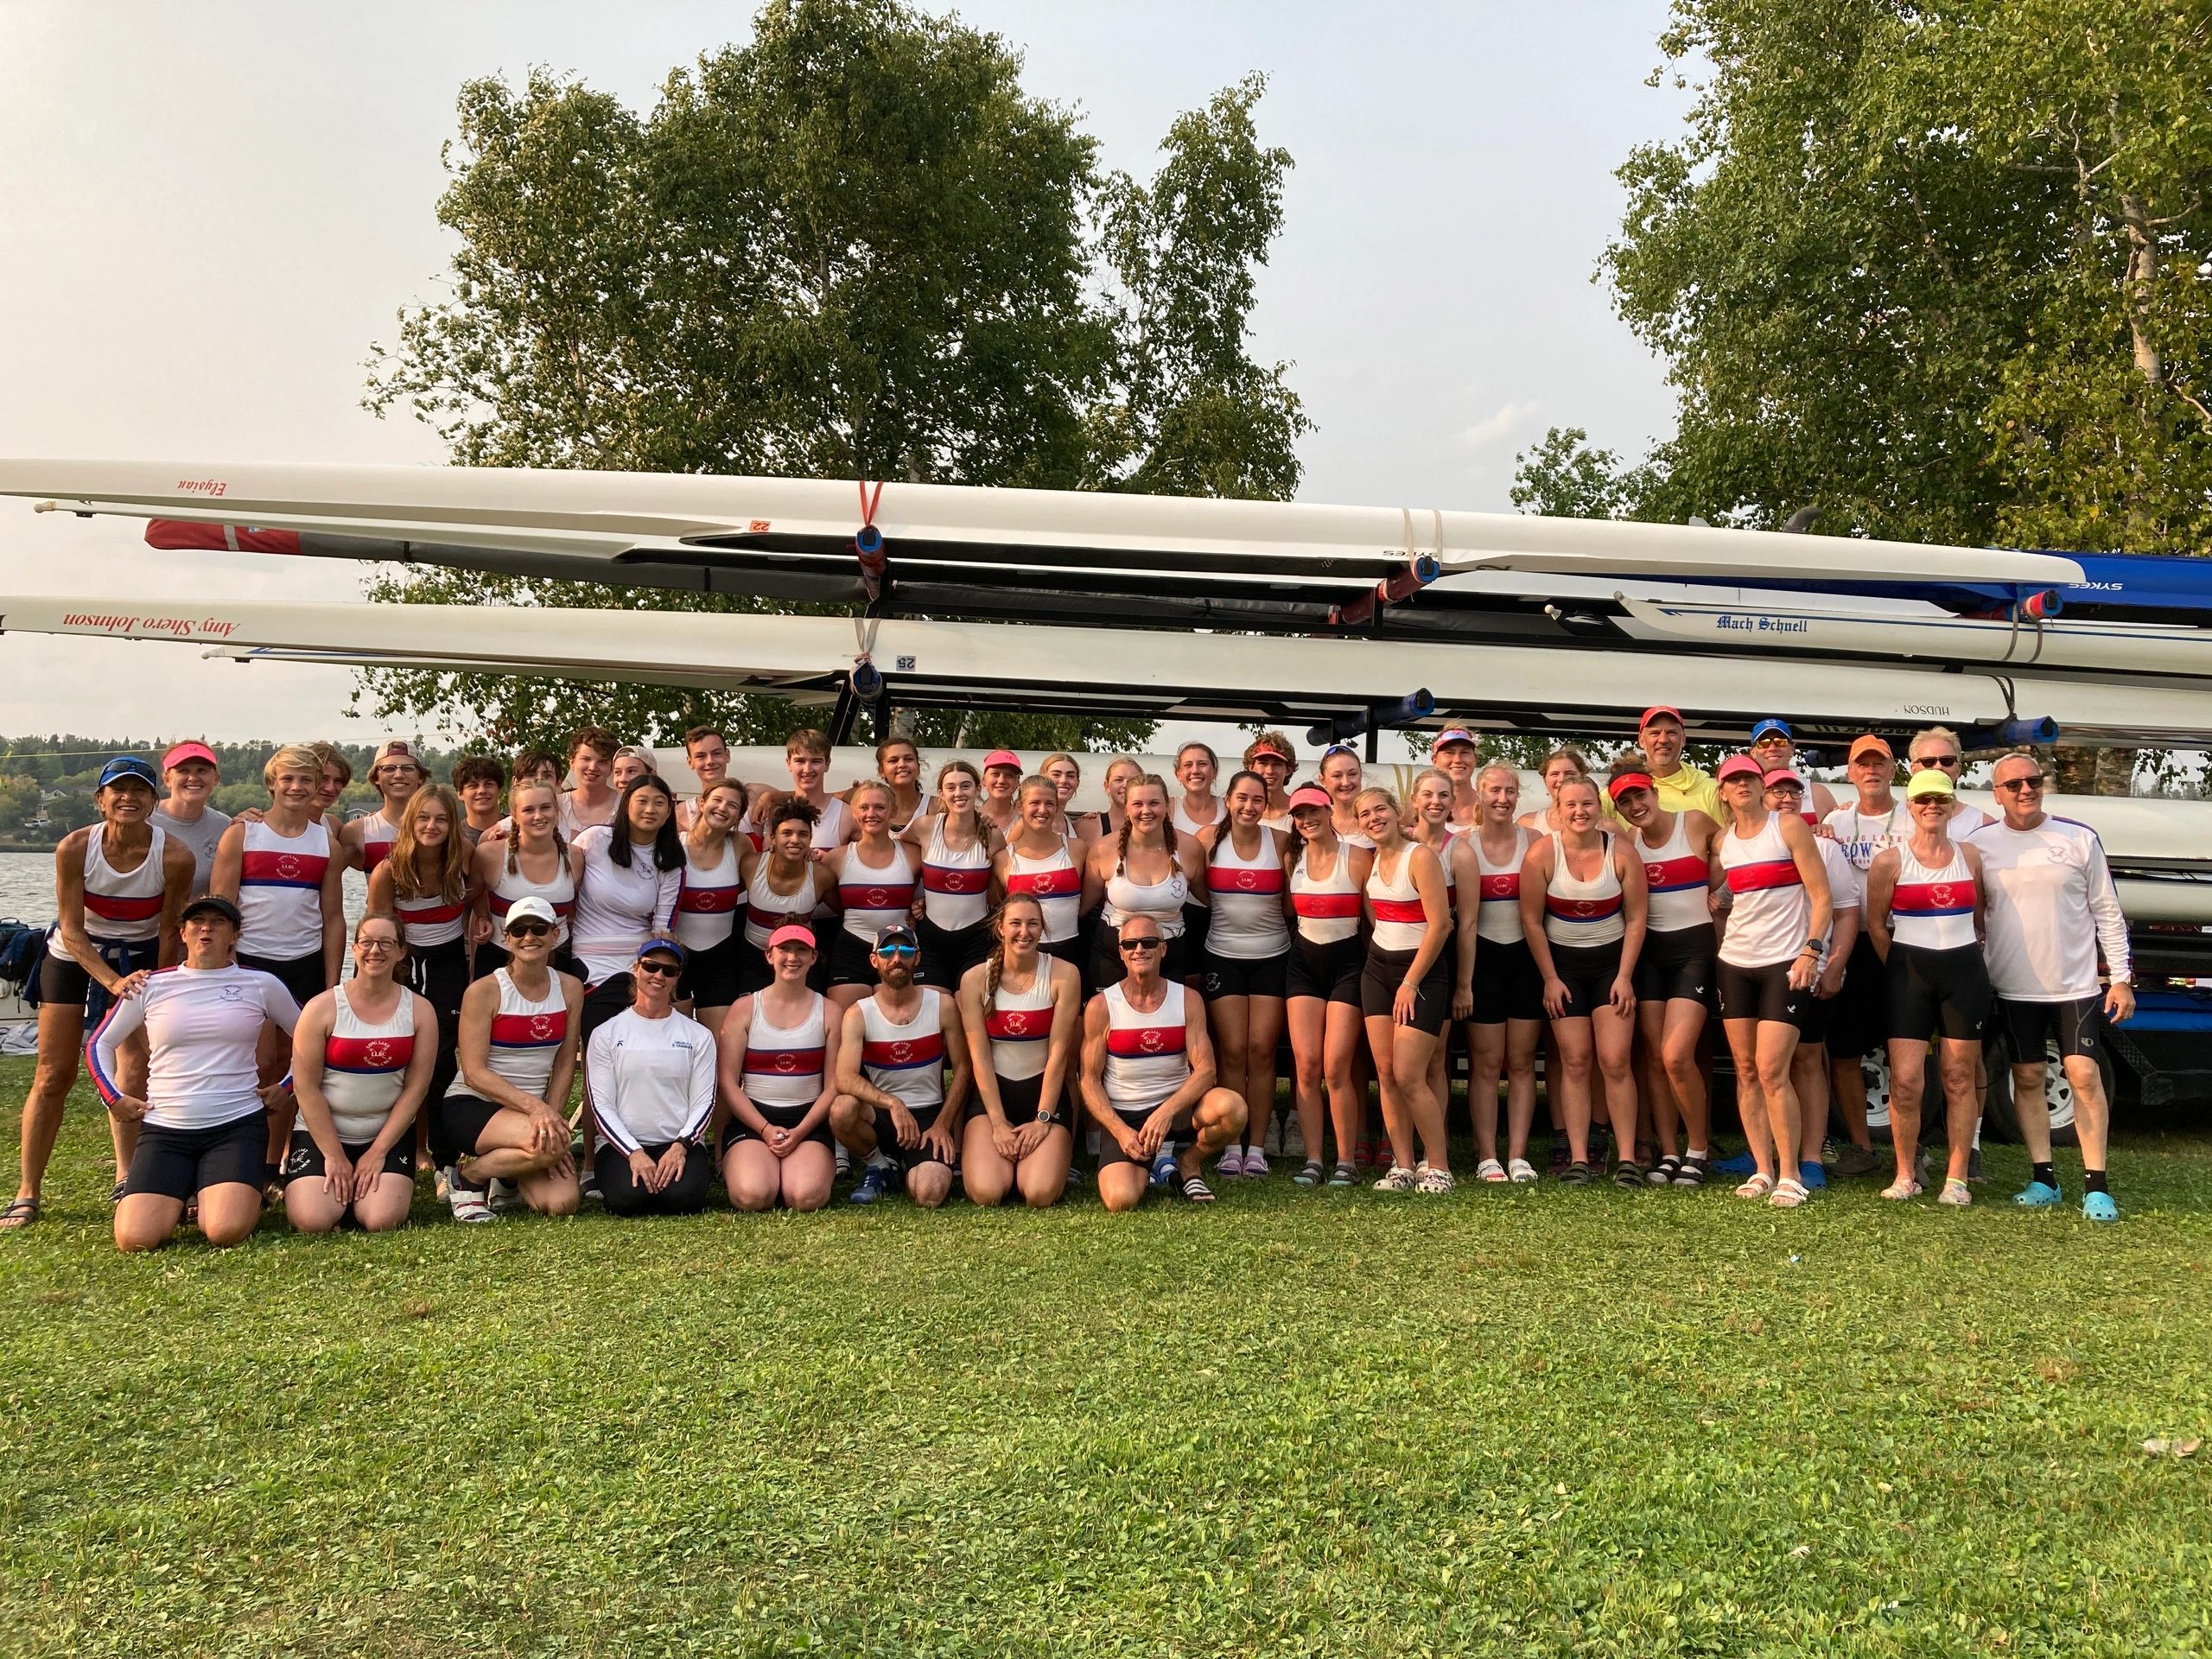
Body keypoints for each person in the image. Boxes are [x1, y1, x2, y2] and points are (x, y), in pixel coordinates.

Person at [3, 757, 194, 1230]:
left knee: (134, 1065)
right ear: (101, 799)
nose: (128, 798)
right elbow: (71, 929)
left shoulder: (175, 856)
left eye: (139, 791)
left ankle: (127, 1176)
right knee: (53, 1072)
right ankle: (28, 1190)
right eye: (117, 790)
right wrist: (111, 983)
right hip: (75, 957)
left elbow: (170, 930)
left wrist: (160, 982)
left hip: (143, 956)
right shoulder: (74, 847)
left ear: (154, 801)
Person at [1969, 753, 2134, 1220]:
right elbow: (1973, 917)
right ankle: (2044, 1177)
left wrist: (2120, 978)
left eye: (2033, 781)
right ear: (1997, 793)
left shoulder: (2078, 838)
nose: (2026, 790)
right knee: (2027, 1078)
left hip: (2074, 985)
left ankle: (2096, 1184)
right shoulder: (1980, 845)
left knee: (2083, 1074)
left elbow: (2107, 911)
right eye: (2014, 784)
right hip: (2013, 988)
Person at [92, 893, 301, 1251]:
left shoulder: (263, 984)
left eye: (218, 922)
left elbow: (310, 1037)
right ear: (183, 933)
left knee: (224, 1231)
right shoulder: (149, 985)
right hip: (165, 1129)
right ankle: (183, 1189)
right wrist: (112, 1098)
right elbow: (100, 1044)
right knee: (135, 1239)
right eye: (197, 921)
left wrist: (287, 1085)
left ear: (234, 935)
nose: (206, 928)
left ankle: (207, 1192)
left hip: (235, 1126)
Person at [1865, 767, 1992, 1205]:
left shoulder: (1970, 856)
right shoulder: (1889, 861)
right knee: (1904, 1081)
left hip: (1964, 975)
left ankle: (1956, 1178)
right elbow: (1876, 925)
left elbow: (1979, 921)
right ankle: (1905, 1174)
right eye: (1923, 800)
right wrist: (1901, 967)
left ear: (1952, 804)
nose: (1932, 806)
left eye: (1941, 799)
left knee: (1958, 1077)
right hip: (1908, 974)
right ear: (1911, 808)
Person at [1711, 753, 1832, 1207]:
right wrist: (1716, 899)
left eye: (1750, 778)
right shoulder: (1724, 841)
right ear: (1722, 792)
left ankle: (1791, 1173)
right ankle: (1761, 1169)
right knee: (1745, 1071)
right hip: (1735, 963)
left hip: (1786, 963)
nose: (1742, 784)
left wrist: (1812, 952)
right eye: (1733, 779)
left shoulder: (1788, 826)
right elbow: (1738, 891)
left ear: (1762, 785)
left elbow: (1822, 897)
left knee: (1771, 1070)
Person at [1519, 778, 1649, 1187]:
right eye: (1571, 804)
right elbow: (1530, 920)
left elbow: (1637, 917)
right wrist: (1550, 978)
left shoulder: (1620, 851)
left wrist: (1626, 976)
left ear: (1600, 807)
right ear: (1557, 808)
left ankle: (1626, 1159)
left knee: (1614, 1061)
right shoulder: (1543, 852)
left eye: (1588, 804)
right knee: (1575, 1062)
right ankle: (1578, 1159)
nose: (1580, 811)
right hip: (1565, 971)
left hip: (1612, 967)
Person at [281, 912, 436, 1234]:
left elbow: (415, 1089)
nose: (375, 951)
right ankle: (332, 1191)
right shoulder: (322, 1008)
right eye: (366, 942)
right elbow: (306, 1088)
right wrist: (334, 1155)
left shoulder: (420, 1010)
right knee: (313, 1221)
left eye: (385, 943)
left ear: (401, 952)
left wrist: (378, 1151)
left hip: (384, 1133)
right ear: (354, 949)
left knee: (380, 1220)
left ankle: (359, 1195)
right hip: (323, 1134)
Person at [1606, 753, 1720, 1186]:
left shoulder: (1693, 822)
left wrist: (1723, 895)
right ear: (1618, 809)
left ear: (1654, 792)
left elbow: (1734, 852)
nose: (1637, 805)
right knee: (1655, 1058)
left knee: (1677, 1055)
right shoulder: (1628, 843)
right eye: (1626, 801)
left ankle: (1698, 1147)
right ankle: (1669, 1152)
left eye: (1641, 794)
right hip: (1650, 954)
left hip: (1695, 949)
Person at [1079, 916, 1246, 1209]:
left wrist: (1166, 1112)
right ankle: (1152, 1165)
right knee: (1120, 1200)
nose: (1139, 949)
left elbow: (1206, 1071)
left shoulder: (1188, 999)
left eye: (1149, 942)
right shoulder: (1101, 1006)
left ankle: (1187, 1163)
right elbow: (1089, 1080)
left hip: (1178, 1108)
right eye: (1130, 944)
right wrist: (1119, 1130)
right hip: (1127, 1115)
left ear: (1163, 949)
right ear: (1121, 952)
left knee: (1233, 1109)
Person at [436, 897, 585, 1224]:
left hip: (532, 1114)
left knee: (562, 1203)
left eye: (538, 929)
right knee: (552, 1146)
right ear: (506, 938)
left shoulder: (571, 988)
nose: (528, 937)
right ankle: (468, 1177)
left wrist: (553, 1119)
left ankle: (506, 1180)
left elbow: (563, 1063)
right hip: (473, 1104)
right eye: (518, 929)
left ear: (555, 935)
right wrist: (538, 1112)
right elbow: (474, 1073)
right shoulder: (484, 991)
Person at [1764, 767, 1863, 1192]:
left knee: (1806, 1060)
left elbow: (1845, 910)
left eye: (1793, 791)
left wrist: (1834, 966)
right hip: (1763, 967)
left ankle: (1809, 1157)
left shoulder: (1824, 845)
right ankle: (1764, 1155)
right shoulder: (1746, 841)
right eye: (1776, 791)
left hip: (1811, 969)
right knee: (1764, 1068)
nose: (1785, 798)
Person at [831, 922, 973, 1207]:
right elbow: (844, 1079)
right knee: (842, 1109)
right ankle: (880, 1166)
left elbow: (964, 1070)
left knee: (929, 1194)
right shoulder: (858, 1013)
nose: (897, 958)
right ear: (874, 960)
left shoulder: (942, 1005)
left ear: (917, 958)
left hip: (928, 1115)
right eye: (887, 951)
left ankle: (906, 1166)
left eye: (906, 950)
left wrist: (943, 1125)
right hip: (884, 1115)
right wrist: (893, 1104)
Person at [1357, 785, 1455, 1192]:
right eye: (1364, 815)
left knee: (1410, 1074)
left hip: (1422, 972)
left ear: (1398, 812)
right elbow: (1377, 919)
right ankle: (1402, 1165)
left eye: (1380, 809)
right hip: (1377, 970)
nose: (1373, 818)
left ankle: (1439, 1167)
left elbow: (1442, 924)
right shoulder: (1371, 860)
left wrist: (1411, 982)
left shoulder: (1421, 856)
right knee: (1386, 1074)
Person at [1818, 734, 1908, 1178]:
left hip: (1903, 939)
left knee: (1906, 1046)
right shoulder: (1835, 819)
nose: (1871, 771)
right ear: (1850, 772)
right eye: (1862, 764)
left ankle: (1914, 1150)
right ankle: (1860, 1145)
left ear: (1893, 769)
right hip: (1852, 942)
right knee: (1846, 1048)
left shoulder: (1915, 814)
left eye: (1879, 763)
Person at [957, 895, 1083, 1207]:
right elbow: (980, 1058)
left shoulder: (1064, 974)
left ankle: (1042, 1158)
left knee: (1039, 1193)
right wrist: (998, 1123)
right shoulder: (974, 979)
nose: (1023, 932)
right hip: (993, 1098)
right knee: (987, 1193)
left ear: (1042, 930)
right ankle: (1001, 1158)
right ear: (1000, 928)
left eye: (1032, 924)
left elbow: (1058, 1054)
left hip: (1042, 1095)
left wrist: (1043, 1119)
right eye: (1015, 923)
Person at [1200, 771, 1294, 1179]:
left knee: (1261, 1051)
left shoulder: (1281, 842)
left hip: (1273, 956)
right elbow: (1199, 890)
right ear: (1228, 798)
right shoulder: (1207, 840)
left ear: (1266, 803)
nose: (1249, 807)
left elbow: (1291, 901)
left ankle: (1256, 1146)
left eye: (1258, 799)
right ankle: (1231, 1145)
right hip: (1223, 956)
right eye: (1242, 798)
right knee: (1233, 1051)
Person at [586, 939, 717, 1216]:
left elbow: (705, 1102)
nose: (659, 976)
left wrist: (681, 1146)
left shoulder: (698, 1036)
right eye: (651, 967)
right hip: (621, 1148)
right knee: (629, 1200)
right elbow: (601, 1106)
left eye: (668, 971)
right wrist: (633, 1152)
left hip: (679, 1144)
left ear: (677, 978)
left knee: (682, 1199)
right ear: (636, 969)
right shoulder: (606, 1033)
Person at [1283, 781, 1371, 1187]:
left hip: (1349, 965)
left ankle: (1346, 1161)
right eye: (1299, 814)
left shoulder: (1357, 859)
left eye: (1314, 811)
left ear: (1330, 810)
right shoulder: (1292, 859)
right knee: (1306, 1066)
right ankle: (1314, 1159)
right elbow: (1290, 910)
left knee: (1336, 1067)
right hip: (1303, 965)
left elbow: (1375, 920)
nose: (1307, 820)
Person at [718, 923, 840, 1212]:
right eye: (784, 949)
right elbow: (726, 1082)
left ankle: (798, 1168)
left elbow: (835, 1085)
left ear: (813, 957)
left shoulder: (831, 1012)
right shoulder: (744, 1008)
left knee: (806, 1197)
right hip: (754, 1119)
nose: (792, 957)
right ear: (769, 955)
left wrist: (799, 1132)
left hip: (807, 1121)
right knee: (753, 1195)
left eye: (801, 950)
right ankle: (756, 1166)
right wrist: (764, 1128)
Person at [366, 784, 475, 1103]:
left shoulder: (463, 855)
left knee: (443, 1048)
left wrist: (479, 917)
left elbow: (480, 889)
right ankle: (408, 1140)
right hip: (406, 960)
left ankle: (443, 1146)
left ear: (452, 824)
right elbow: (379, 933)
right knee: (406, 1046)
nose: (432, 826)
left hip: (449, 957)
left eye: (441, 819)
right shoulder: (388, 872)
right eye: (424, 818)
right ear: (411, 822)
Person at [1465, 764, 1543, 1183]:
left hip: (1527, 960)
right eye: (1494, 790)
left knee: (1522, 1061)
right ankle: (1487, 1155)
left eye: (1510, 791)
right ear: (1479, 793)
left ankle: (1517, 1155)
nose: (1502, 798)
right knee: (1487, 1062)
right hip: (1482, 961)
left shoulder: (1536, 843)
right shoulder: (1464, 845)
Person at [568, 773, 686, 1043]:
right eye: (642, 800)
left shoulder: (670, 860)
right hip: (590, 963)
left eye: (659, 803)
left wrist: (653, 974)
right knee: (599, 1045)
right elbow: (559, 884)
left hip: (637, 965)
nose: (649, 809)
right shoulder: (595, 839)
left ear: (669, 812)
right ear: (626, 804)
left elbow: (662, 929)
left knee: (639, 1048)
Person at [1408, 766, 1481, 1158]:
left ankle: (1434, 1148)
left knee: (1435, 1058)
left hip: (1443, 963)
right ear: (1414, 801)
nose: (1435, 802)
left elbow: (1467, 923)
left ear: (1454, 804)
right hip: (1397, 960)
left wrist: (1464, 984)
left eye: (1444, 796)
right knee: (1400, 1060)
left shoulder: (1461, 851)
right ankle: (1397, 1142)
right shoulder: (1399, 842)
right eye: (1429, 795)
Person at [1084, 773, 1205, 987]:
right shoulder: (1104, 849)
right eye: (1137, 804)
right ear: (1127, 808)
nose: (1146, 811)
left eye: (1154, 803)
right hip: (1113, 956)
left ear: (1167, 805)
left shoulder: (1189, 848)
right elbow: (1082, 907)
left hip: (1170, 955)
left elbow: (1210, 898)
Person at [902, 760, 999, 990]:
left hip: (977, 940)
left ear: (978, 789)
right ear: (941, 793)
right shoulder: (925, 827)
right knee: (934, 1010)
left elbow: (1002, 887)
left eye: (965, 786)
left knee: (970, 1014)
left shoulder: (994, 836)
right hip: (931, 939)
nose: (959, 793)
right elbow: (891, 851)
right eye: (951, 787)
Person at [827, 779, 919, 1011]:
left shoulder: (913, 854)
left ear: (893, 811)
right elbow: (824, 896)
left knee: (897, 1022)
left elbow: (939, 885)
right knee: (843, 1021)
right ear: (854, 813)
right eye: (864, 808)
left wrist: (923, 905)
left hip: (899, 949)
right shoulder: (835, 858)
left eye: (880, 807)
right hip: (851, 946)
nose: (872, 814)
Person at [470, 778, 577, 979]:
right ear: (514, 816)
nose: (539, 816)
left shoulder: (576, 857)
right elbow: (473, 892)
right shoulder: (489, 854)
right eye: (528, 810)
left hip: (557, 959)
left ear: (556, 811)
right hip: (499, 958)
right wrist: (483, 916)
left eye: (546, 807)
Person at [738, 798, 840, 993]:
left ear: (810, 839)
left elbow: (847, 915)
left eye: (803, 834)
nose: (795, 840)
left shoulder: (821, 876)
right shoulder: (751, 865)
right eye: (787, 833)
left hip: (798, 960)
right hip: (754, 958)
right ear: (773, 837)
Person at [673, 778, 749, 1033]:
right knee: (677, 1042)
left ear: (738, 816)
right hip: (676, 956)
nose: (722, 808)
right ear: (702, 803)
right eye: (717, 800)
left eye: (732, 805)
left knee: (722, 1041)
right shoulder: (675, 844)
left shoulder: (740, 845)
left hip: (719, 959)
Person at [996, 778, 1086, 972]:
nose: (1042, 810)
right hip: (1021, 952)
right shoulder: (1003, 858)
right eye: (1035, 803)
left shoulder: (1077, 849)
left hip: (1070, 949)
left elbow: (1090, 900)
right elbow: (993, 905)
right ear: (1020, 807)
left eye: (1050, 804)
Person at [150, 741, 231, 896]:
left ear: (216, 778)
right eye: (183, 771)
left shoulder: (226, 827)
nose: (193, 778)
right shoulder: (144, 819)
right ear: (167, 779)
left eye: (202, 771)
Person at [341, 740, 427, 874]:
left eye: (407, 768)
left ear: (420, 776)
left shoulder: (439, 828)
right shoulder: (356, 831)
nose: (399, 775)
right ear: (376, 777)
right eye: (389, 769)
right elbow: (325, 881)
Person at [762, 728, 852, 851]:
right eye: (800, 761)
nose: (808, 769)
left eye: (816, 761)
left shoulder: (847, 815)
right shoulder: (772, 812)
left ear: (827, 764)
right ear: (788, 763)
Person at [1630, 706, 1723, 823]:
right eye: (1655, 733)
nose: (1663, 740)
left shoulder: (1711, 790)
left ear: (1683, 739)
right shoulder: (1620, 793)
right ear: (1642, 741)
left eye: (1671, 733)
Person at [1908, 726, 1994, 834]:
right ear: (1914, 770)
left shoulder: (1982, 825)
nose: (1938, 767)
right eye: (1928, 762)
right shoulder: (1894, 820)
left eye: (1947, 761)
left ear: (1958, 769)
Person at [1747, 720, 1838, 816]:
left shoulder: (1817, 794)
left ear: (1792, 749)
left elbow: (1842, 824)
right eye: (1764, 743)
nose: (1772, 748)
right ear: (1753, 751)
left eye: (1780, 742)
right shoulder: (1742, 794)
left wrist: (1848, 810)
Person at [674, 725, 741, 834]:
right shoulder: (681, 813)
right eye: (701, 756)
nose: (710, 761)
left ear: (727, 755)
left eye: (716, 753)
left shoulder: (753, 797)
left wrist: (768, 797)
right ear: (690, 762)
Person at [1517, 747, 1597, 836]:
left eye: (1569, 773)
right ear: (1545, 780)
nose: (1562, 779)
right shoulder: (1527, 824)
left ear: (1582, 776)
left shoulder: (1604, 827)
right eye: (1554, 774)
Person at [557, 726, 620, 838]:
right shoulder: (556, 806)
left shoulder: (625, 805)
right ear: (572, 762)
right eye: (586, 759)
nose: (592, 767)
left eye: (602, 762)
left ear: (612, 767)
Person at [868, 735, 927, 832]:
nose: (902, 764)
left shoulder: (937, 807)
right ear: (881, 771)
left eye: (908, 759)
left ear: (918, 767)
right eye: (893, 760)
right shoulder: (869, 809)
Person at [1318, 744, 1371, 848]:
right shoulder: (1316, 822)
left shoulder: (1377, 820)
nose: (1346, 782)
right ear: (1322, 780)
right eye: (1337, 776)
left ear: (1361, 775)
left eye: (1352, 774)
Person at [1427, 729, 1482, 832]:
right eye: (1449, 753)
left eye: (1465, 752)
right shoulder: (1419, 809)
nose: (1457, 760)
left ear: (1475, 760)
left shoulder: (1492, 805)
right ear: (1435, 761)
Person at [1241, 733, 1298, 829]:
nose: (1270, 771)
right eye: (1263, 763)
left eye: (1277, 764)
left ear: (1288, 770)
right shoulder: (1241, 812)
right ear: (1251, 767)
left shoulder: (1300, 811)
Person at [451, 753, 508, 846]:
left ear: (500, 791)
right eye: (473, 786)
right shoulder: (453, 837)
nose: (482, 791)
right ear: (460, 794)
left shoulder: (518, 828)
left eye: (488, 784)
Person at [1170, 741, 1224, 840]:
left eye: (1202, 764)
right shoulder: (1169, 808)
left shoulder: (1228, 808)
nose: (1195, 771)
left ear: (1214, 772)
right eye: (1188, 765)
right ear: (1178, 774)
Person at [1039, 752, 1089, 841]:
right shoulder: (1027, 821)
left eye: (1070, 776)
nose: (1064, 781)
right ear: (1043, 779)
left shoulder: (1069, 824)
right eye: (1056, 775)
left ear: (1077, 783)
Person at [977, 748, 1025, 838]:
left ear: (1017, 783)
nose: (1001, 780)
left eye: (1009, 775)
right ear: (983, 780)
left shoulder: (1025, 820)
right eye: (995, 774)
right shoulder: (970, 818)